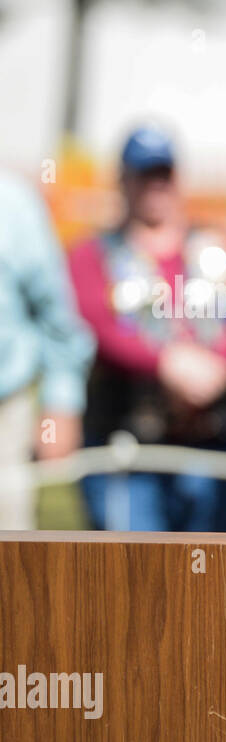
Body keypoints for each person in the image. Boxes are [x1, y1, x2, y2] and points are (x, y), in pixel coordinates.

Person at [66, 127, 226, 532]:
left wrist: (220, 369)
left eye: (163, 173)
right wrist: (168, 362)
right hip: (128, 450)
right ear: (123, 179)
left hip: (214, 441)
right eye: (144, 174)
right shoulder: (93, 255)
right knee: (131, 580)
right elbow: (95, 327)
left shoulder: (217, 249)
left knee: (221, 579)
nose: (155, 186)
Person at [0, 171, 95, 529]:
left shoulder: (12, 206)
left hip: (5, 416)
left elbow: (58, 321)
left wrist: (61, 404)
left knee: (8, 566)